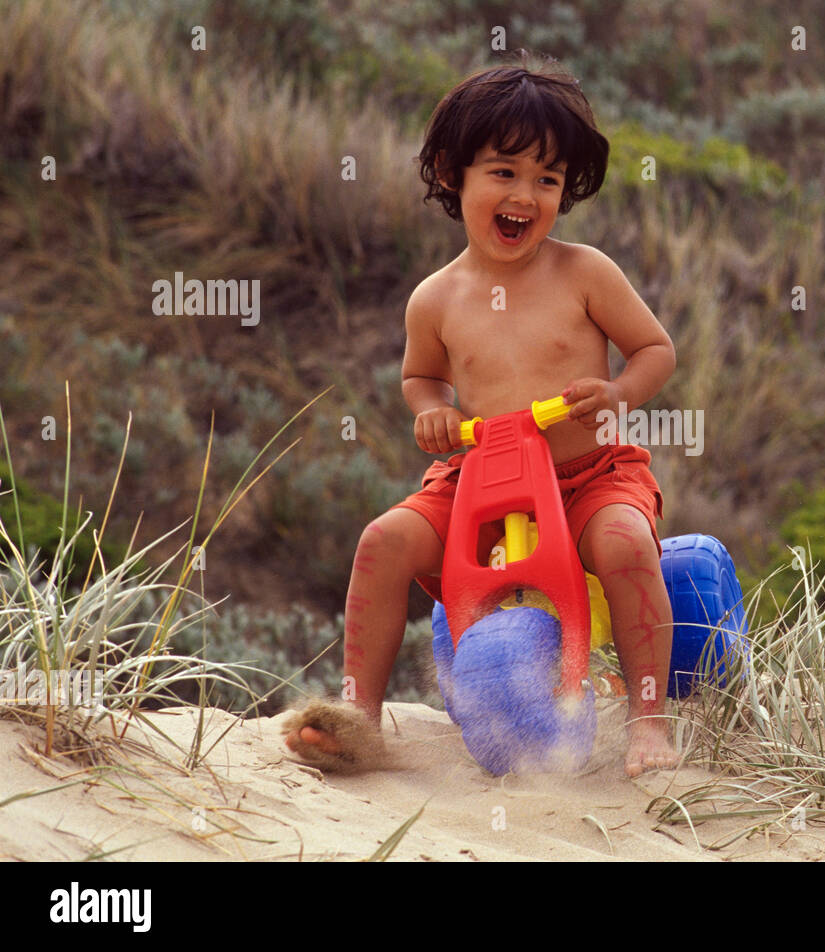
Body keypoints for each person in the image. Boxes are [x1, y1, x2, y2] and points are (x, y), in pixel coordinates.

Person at [284, 54, 680, 777]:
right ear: (449, 173)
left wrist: (619, 395)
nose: (525, 195)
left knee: (626, 543)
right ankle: (359, 720)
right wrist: (431, 410)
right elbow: (421, 377)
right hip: (483, 481)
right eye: (504, 171)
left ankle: (650, 717)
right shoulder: (435, 298)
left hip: (588, 475)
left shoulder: (585, 271)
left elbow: (655, 349)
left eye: (548, 180)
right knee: (382, 541)